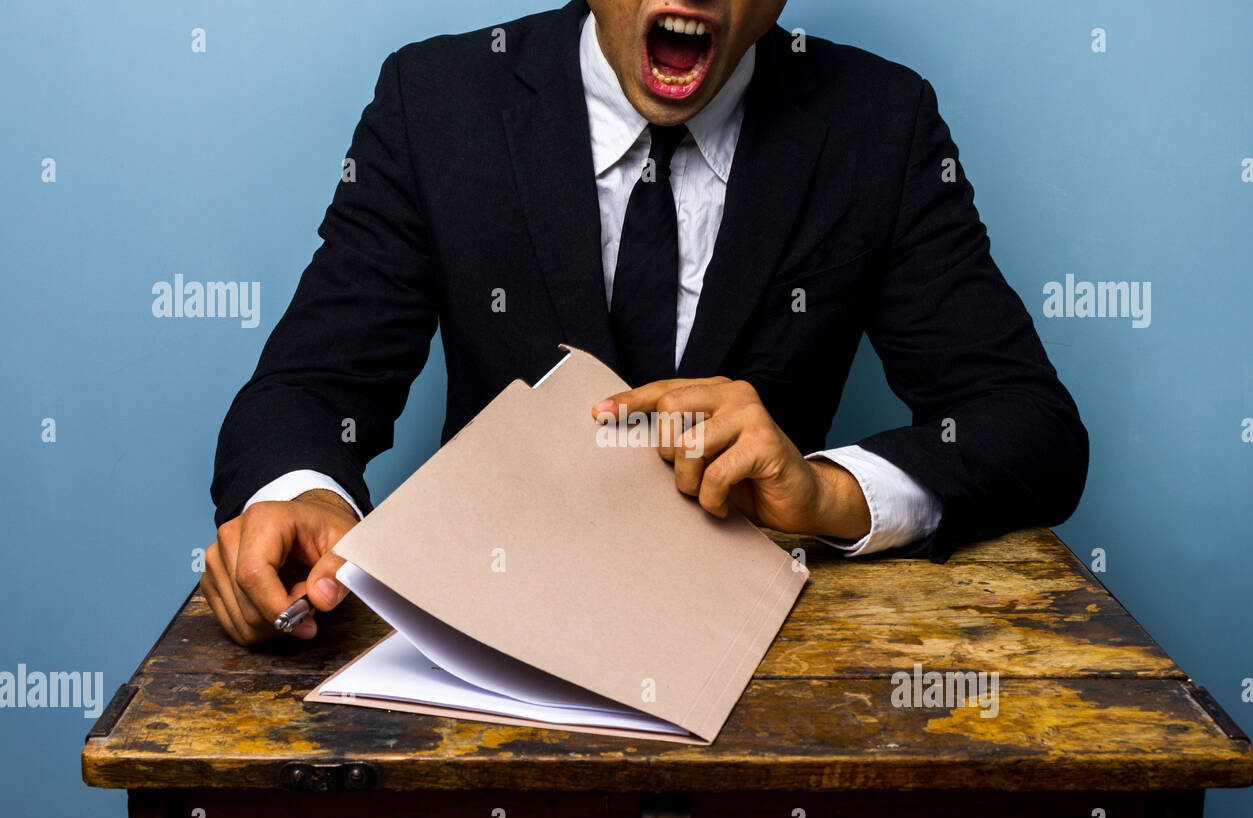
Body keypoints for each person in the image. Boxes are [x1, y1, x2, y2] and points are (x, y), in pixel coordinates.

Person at [202, 0, 1088, 646]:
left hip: (758, 661)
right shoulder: (435, 103)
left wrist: (824, 495)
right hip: (485, 637)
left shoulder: (878, 126)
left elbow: (1027, 427)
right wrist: (298, 496)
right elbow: (313, 386)